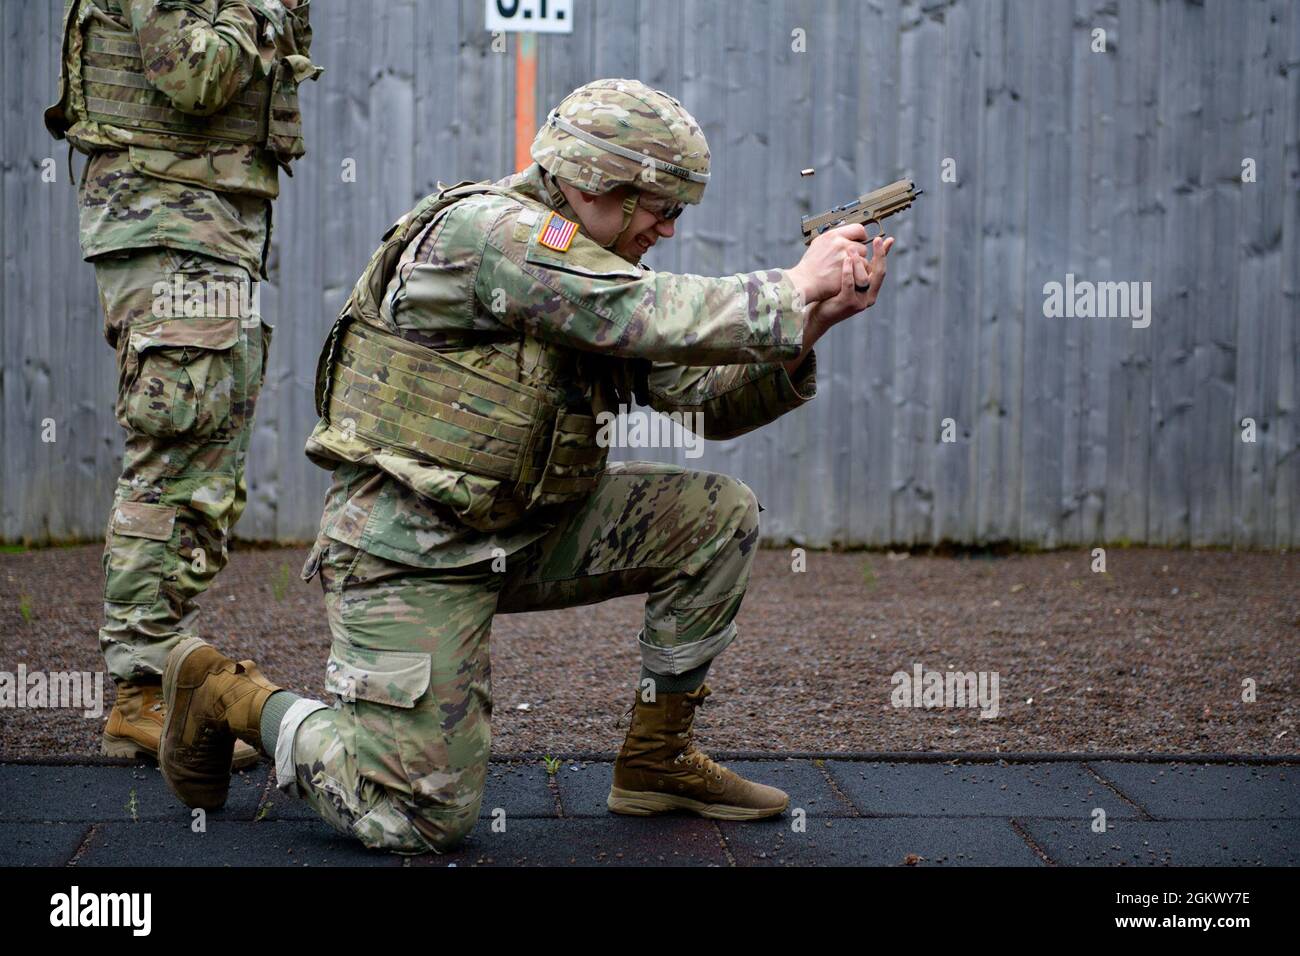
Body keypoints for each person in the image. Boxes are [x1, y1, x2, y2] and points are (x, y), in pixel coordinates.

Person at [159, 78, 895, 853]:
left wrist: (812, 320)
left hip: (527, 531)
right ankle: (230, 696)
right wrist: (790, 286)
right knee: (415, 817)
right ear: (592, 182)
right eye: (662, 207)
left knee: (718, 516)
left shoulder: (597, 264)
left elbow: (702, 403)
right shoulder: (494, 234)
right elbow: (627, 311)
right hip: (411, 554)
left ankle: (656, 762)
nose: (670, 229)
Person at [44, 0, 320, 766]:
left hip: (207, 227)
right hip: (167, 223)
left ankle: (159, 673)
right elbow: (193, 74)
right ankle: (141, 693)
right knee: (174, 455)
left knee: (205, 459)